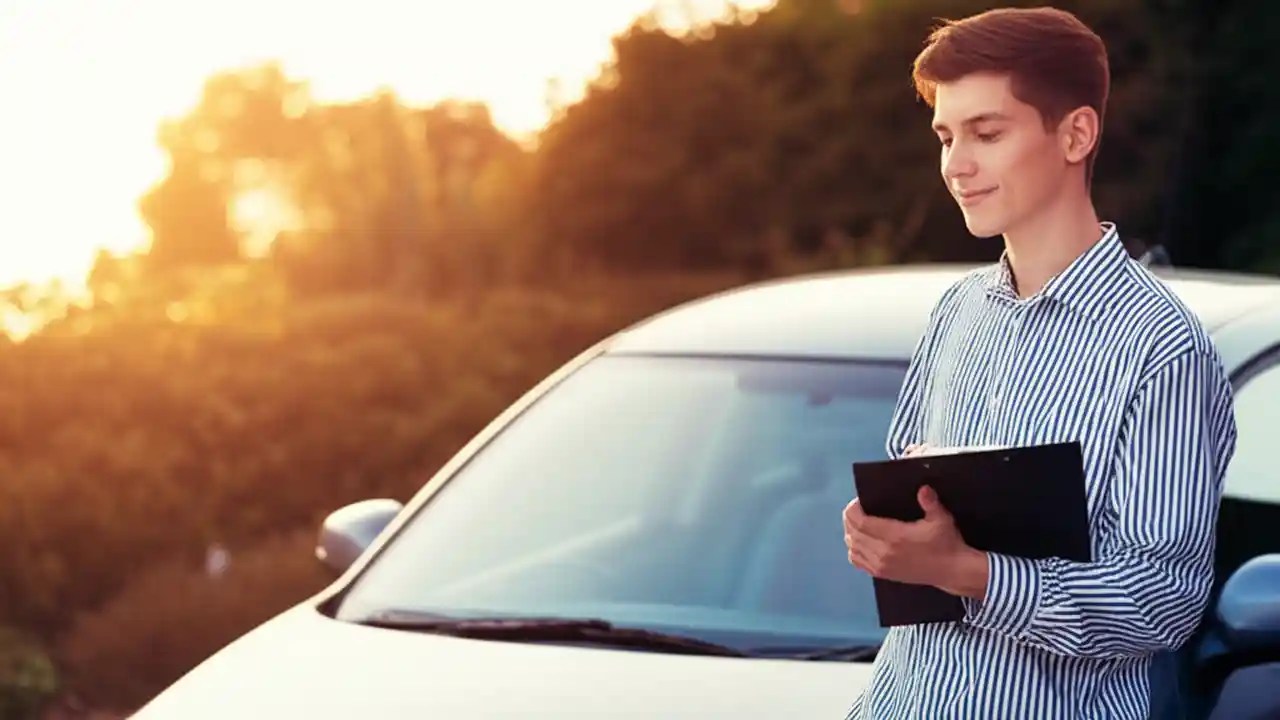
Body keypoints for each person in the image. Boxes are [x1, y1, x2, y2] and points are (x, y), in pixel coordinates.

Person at [840, 6, 1238, 719]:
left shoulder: (1161, 346)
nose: (956, 164)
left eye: (987, 133)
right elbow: (912, 531)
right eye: (946, 136)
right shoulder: (957, 314)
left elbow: (1162, 601)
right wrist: (889, 543)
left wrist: (973, 575)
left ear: (1076, 134)